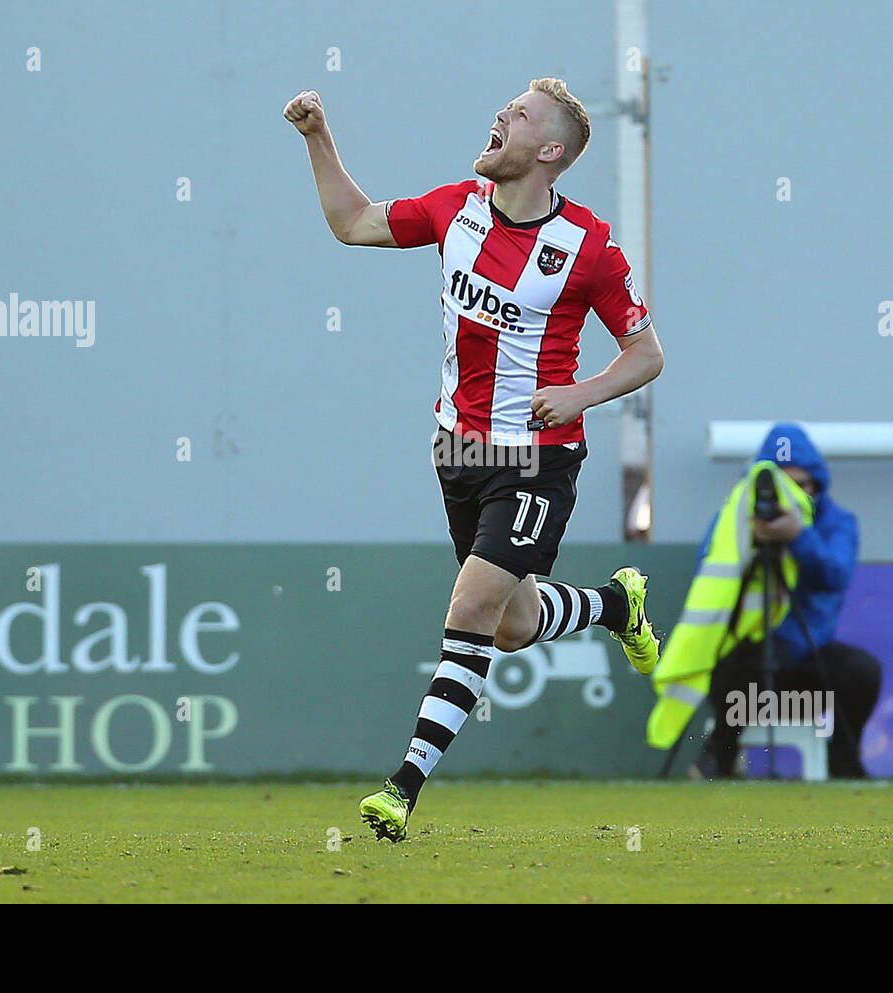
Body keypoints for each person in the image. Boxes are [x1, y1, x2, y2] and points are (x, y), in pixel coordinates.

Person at [284, 79, 666, 841]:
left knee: (469, 610)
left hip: (536, 460)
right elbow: (354, 223)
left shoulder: (589, 247)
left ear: (549, 152)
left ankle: (402, 786)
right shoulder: (456, 207)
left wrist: (581, 393)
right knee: (514, 624)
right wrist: (317, 136)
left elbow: (646, 354)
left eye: (519, 114)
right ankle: (616, 606)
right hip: (457, 450)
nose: (501, 115)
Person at [691, 422, 881, 779]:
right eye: (783, 484)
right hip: (749, 651)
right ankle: (720, 756)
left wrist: (799, 536)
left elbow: (836, 576)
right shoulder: (736, 519)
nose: (794, 494)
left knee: (862, 671)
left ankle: (842, 758)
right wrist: (749, 543)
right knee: (729, 666)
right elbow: (709, 572)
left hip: (810, 657)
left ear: (817, 485)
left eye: (802, 485)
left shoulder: (838, 522)